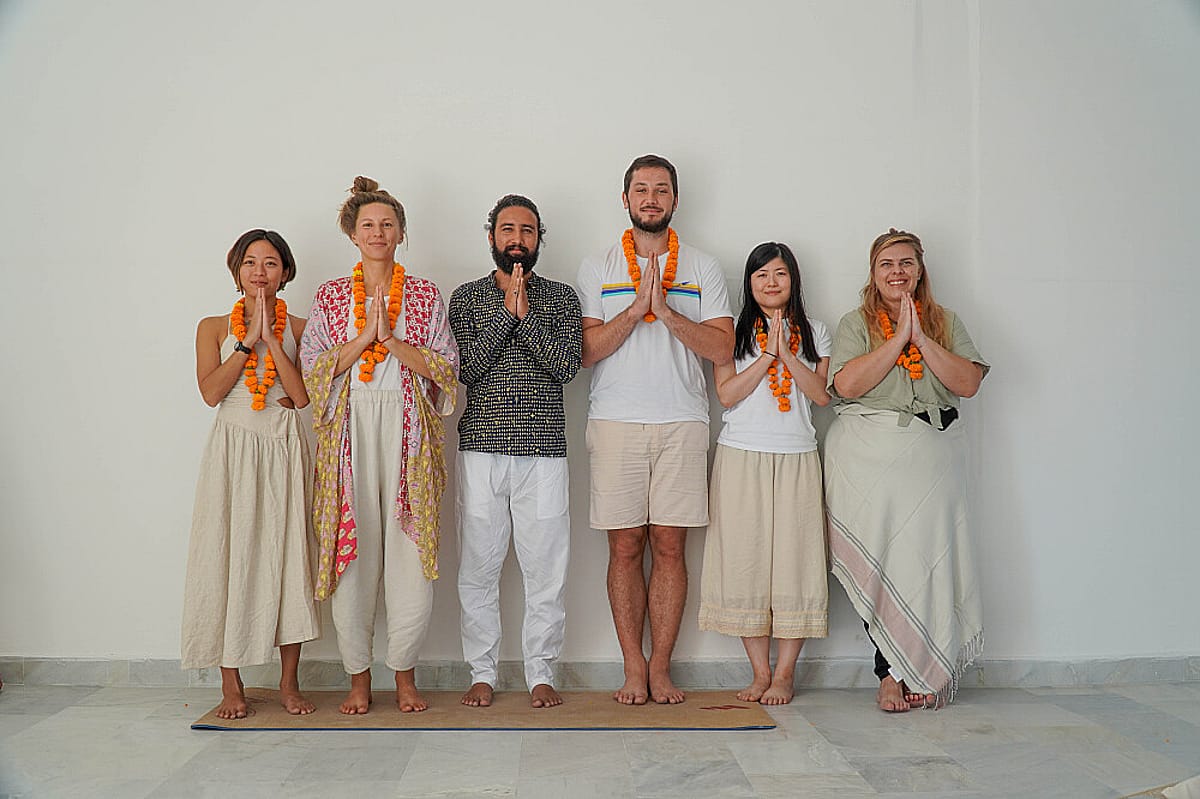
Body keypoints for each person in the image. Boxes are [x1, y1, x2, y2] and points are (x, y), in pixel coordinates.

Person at [577, 154, 734, 705]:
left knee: (671, 544)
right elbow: (586, 352)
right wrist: (635, 308)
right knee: (625, 545)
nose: (650, 198)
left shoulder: (703, 267)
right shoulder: (598, 266)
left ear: (674, 199)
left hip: (684, 419)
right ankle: (633, 667)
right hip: (616, 419)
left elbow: (721, 349)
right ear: (625, 199)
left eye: (661, 189)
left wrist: (665, 313)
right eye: (640, 189)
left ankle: (662, 668)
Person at [299, 177, 459, 714]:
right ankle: (358, 679)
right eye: (368, 224)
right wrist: (365, 338)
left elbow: (445, 369)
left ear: (401, 232)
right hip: (349, 434)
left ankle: (406, 677)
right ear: (353, 232)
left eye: (387, 224)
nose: (378, 232)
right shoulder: (328, 297)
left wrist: (391, 340)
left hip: (409, 436)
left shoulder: (425, 295)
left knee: (409, 557)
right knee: (353, 556)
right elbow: (314, 372)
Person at [824, 228, 989, 712]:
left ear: (920, 270)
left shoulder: (948, 321)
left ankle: (927, 667)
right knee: (885, 566)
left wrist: (921, 338)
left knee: (927, 565)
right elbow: (848, 385)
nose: (897, 272)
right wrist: (897, 339)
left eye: (906, 263)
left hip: (933, 461)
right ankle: (890, 673)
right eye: (886, 264)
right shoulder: (856, 323)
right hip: (873, 460)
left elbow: (968, 383)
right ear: (873, 275)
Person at [449, 195, 582, 709]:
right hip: (482, 448)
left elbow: (566, 369)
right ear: (492, 237)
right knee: (478, 567)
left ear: (538, 239)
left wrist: (526, 319)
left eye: (527, 231)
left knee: (546, 568)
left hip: (544, 451)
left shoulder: (562, 299)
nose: (517, 240)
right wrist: (508, 316)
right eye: (508, 230)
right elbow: (466, 370)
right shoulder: (466, 299)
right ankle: (482, 672)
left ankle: (541, 673)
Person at [182, 229, 320, 720]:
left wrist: (273, 341)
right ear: (236, 269)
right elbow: (211, 393)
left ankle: (288, 683)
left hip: (283, 444)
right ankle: (231, 686)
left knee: (287, 555)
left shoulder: (301, 326)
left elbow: (303, 397)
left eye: (271, 263)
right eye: (250, 263)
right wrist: (245, 344)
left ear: (285, 272)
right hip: (233, 446)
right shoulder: (213, 326)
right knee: (227, 553)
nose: (260, 272)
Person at [699, 242, 831, 705]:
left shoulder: (815, 332)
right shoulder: (731, 334)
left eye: (779, 274)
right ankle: (759, 672)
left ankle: (786, 674)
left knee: (796, 562)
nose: (771, 283)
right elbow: (728, 395)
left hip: (797, 456)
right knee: (745, 561)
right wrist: (766, 357)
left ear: (793, 280)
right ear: (749, 283)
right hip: (740, 457)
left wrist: (789, 355)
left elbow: (820, 396)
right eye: (761, 275)